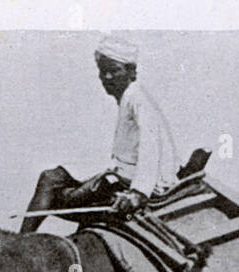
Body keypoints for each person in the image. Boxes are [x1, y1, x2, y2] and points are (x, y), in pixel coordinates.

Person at [20, 36, 181, 234]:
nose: (107, 77)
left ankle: (21, 241)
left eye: (114, 70)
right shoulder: (130, 98)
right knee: (54, 182)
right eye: (102, 72)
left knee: (49, 181)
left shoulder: (137, 99)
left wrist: (139, 192)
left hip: (141, 181)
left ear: (132, 72)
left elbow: (151, 146)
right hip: (127, 173)